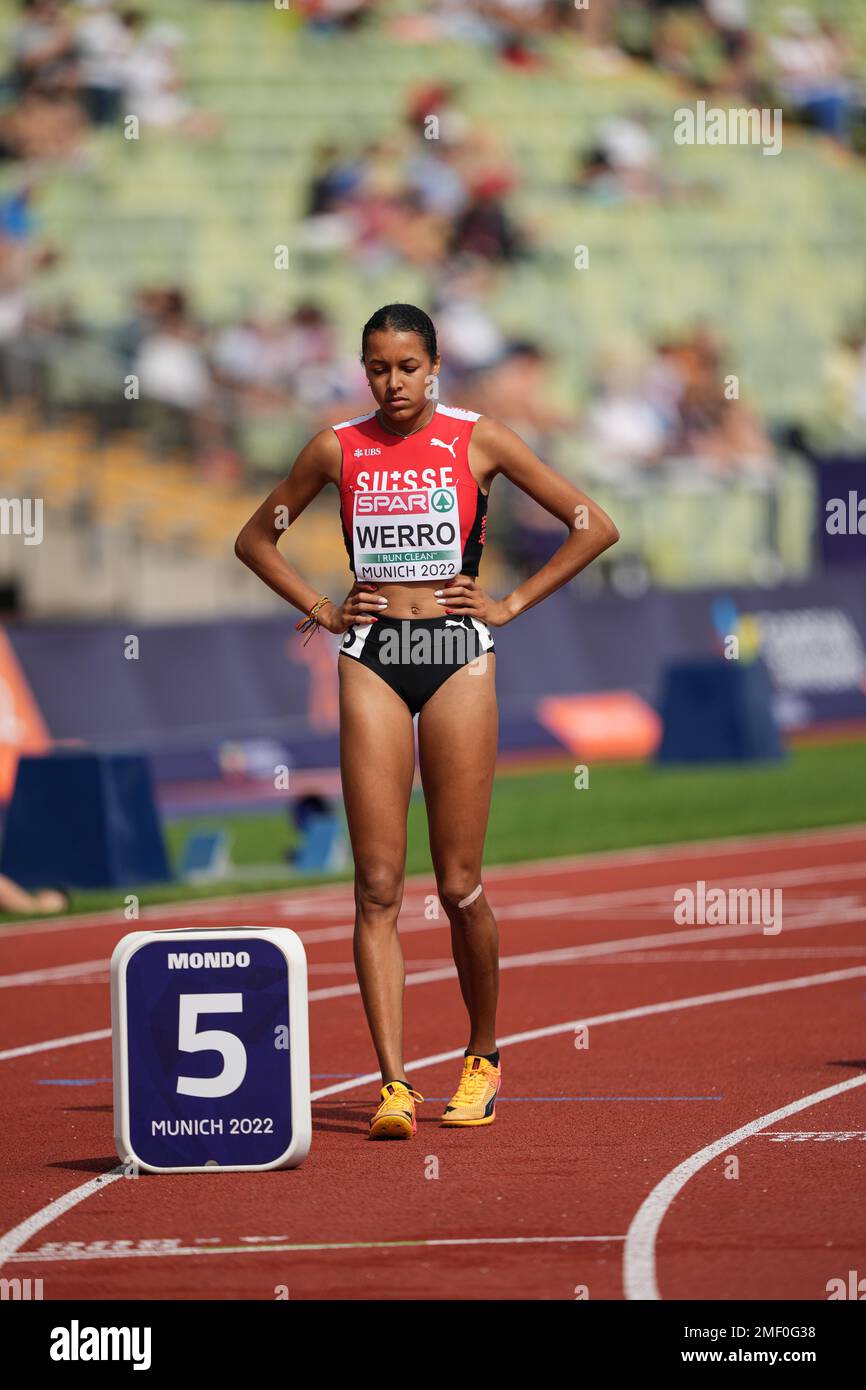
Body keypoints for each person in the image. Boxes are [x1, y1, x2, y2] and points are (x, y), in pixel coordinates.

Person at [234, 303, 619, 1140]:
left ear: (435, 365)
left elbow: (593, 525)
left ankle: (482, 1055)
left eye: (407, 366)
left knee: (457, 884)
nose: (393, 381)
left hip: (458, 653)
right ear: (362, 369)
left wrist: (511, 602)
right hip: (370, 653)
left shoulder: (481, 438)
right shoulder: (335, 446)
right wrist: (319, 607)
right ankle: (394, 1085)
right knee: (376, 885)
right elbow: (255, 540)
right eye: (377, 367)